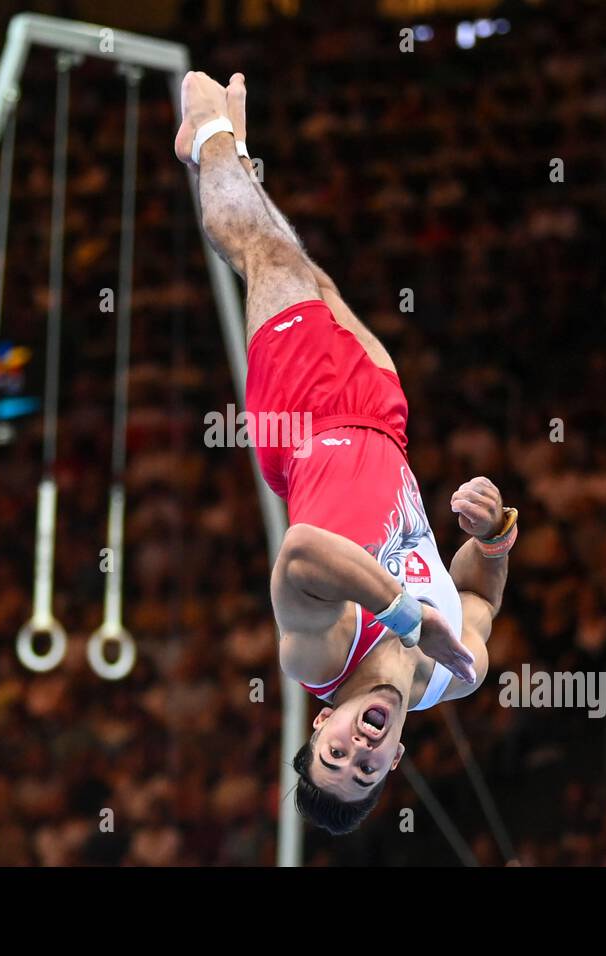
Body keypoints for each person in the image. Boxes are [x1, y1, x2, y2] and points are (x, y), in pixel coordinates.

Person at [176, 71, 516, 834]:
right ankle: (230, 159)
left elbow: (299, 553)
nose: (354, 756)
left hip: (304, 425)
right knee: (314, 276)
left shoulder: (318, 657)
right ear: (393, 759)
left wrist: (401, 616)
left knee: (268, 258)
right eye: (365, 771)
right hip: (383, 419)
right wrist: (494, 535)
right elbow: (481, 600)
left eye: (331, 757)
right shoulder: (452, 677)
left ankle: (203, 137)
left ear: (319, 727)